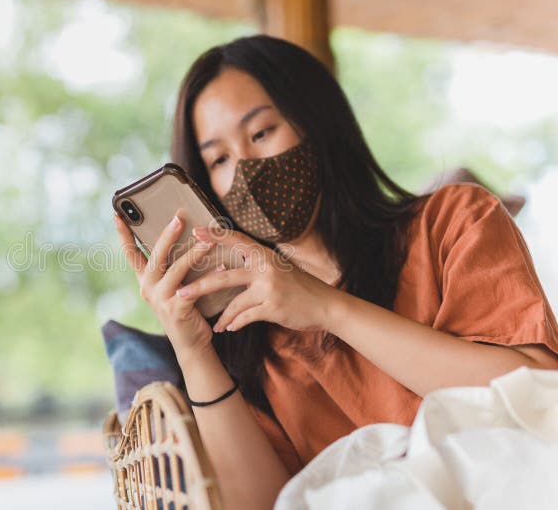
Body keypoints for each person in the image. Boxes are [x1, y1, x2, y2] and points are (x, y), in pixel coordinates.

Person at [113, 35, 558, 510]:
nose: (244, 169)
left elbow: (534, 393)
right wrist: (193, 348)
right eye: (219, 159)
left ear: (319, 123)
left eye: (261, 133)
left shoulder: (452, 223)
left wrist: (327, 308)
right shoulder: (251, 342)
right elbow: (257, 504)